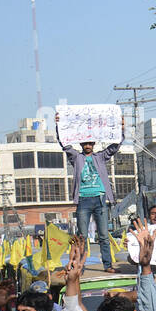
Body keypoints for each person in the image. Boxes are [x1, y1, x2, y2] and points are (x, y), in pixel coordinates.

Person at [58, 112, 124, 273]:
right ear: (81, 144)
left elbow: (115, 147)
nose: (87, 145)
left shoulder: (100, 157)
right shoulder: (76, 157)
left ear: (93, 143)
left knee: (103, 235)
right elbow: (64, 145)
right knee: (82, 236)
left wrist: (122, 128)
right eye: (85, 143)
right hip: (83, 199)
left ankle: (107, 265)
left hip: (100, 198)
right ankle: (80, 266)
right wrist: (58, 126)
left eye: (90, 143)